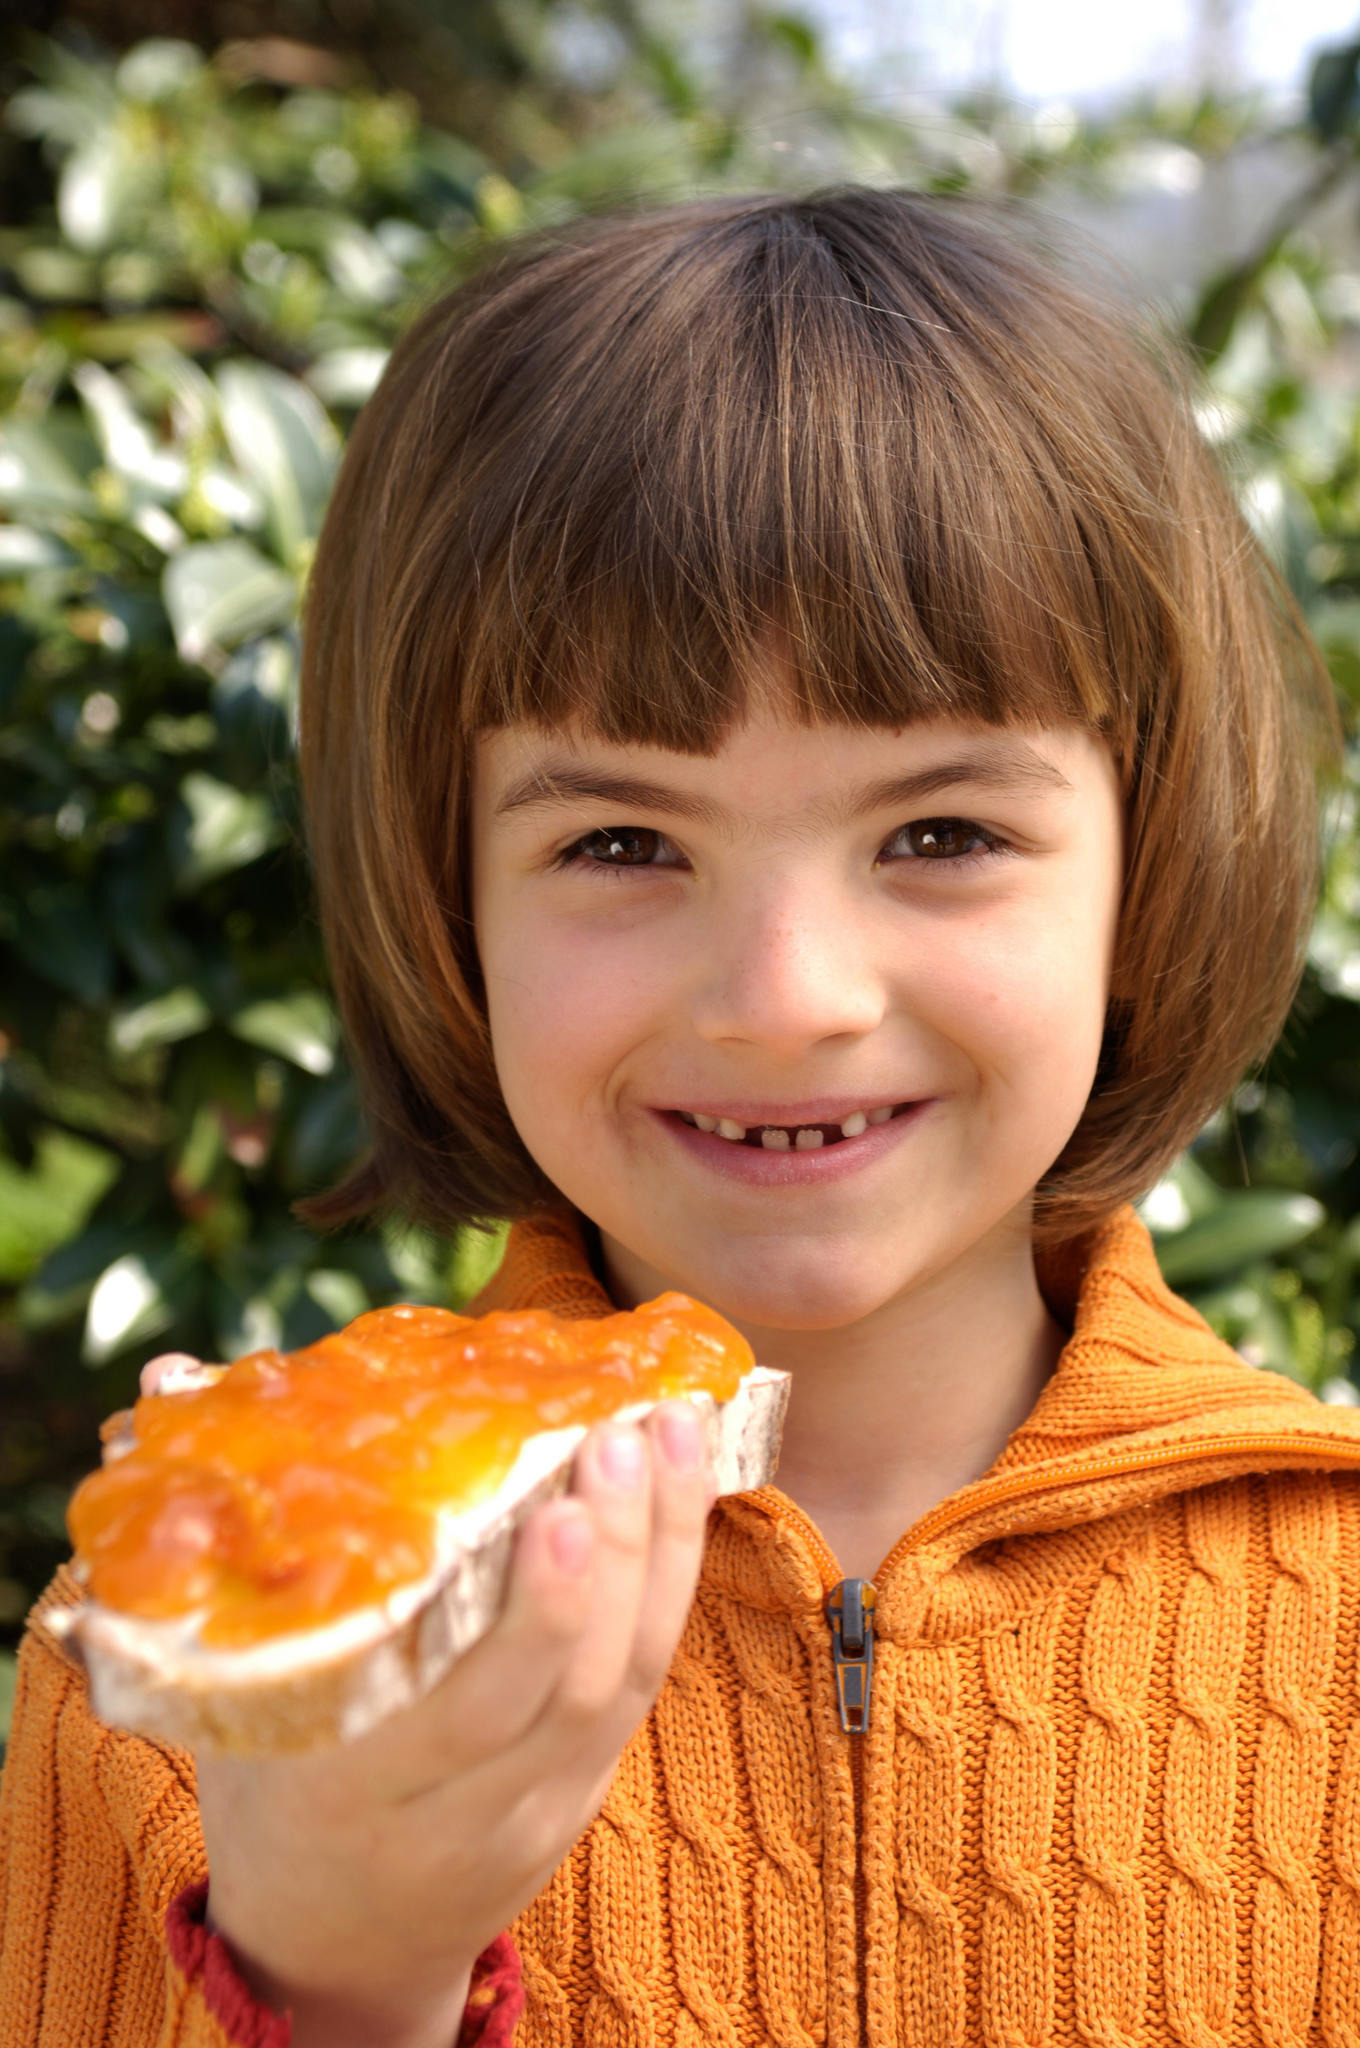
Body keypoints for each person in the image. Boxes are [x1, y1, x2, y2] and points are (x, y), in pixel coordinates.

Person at [3, 186, 1360, 2048]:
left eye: (942, 835)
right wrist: (335, 1972)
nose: (787, 992)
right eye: (622, 840)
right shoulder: (201, 1665)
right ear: (441, 887)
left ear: (1151, 867)